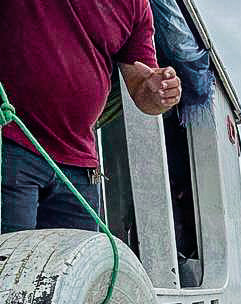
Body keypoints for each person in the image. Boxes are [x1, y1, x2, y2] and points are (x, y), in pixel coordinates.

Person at [1, 1, 182, 234]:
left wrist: (159, 92)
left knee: (72, 267)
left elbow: (141, 90)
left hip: (82, 168)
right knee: (11, 265)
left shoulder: (137, 6)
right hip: (11, 141)